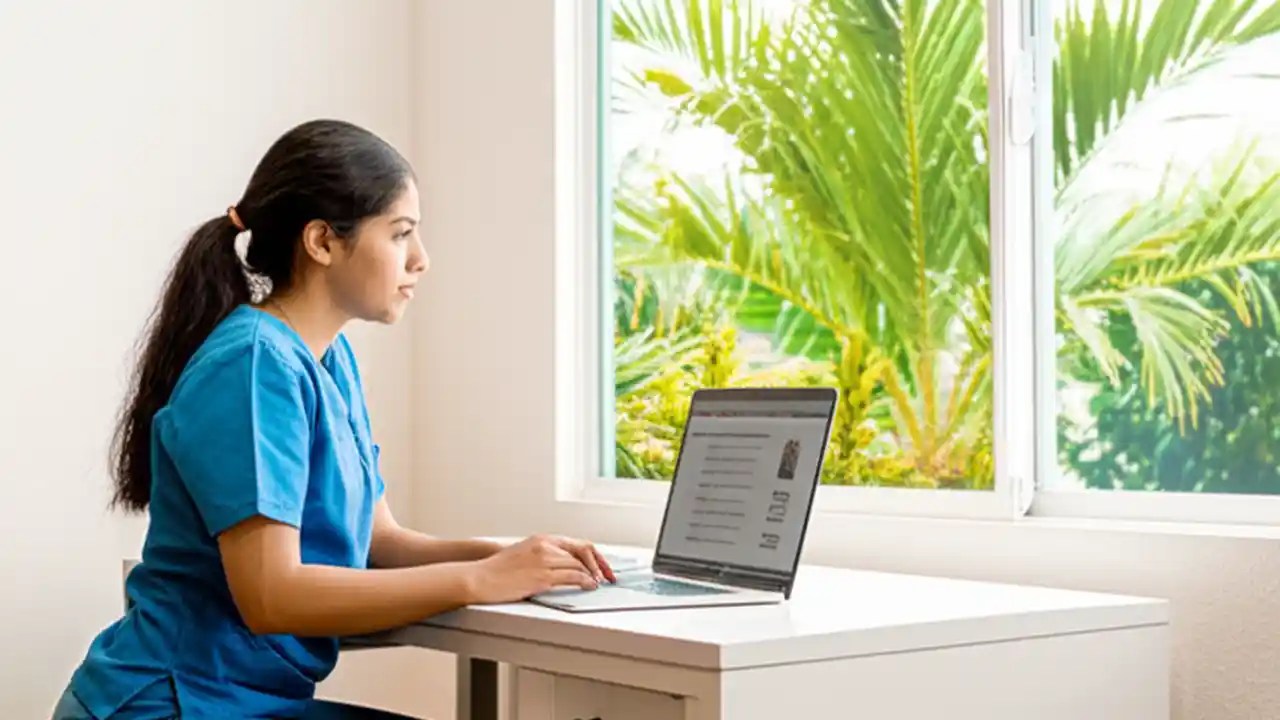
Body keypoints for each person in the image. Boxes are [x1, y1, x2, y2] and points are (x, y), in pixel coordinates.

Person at [53, 119, 615, 719]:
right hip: (173, 702)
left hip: (238, 701)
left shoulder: (328, 358)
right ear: (322, 242)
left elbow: (383, 544)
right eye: (401, 234)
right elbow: (272, 594)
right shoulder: (252, 364)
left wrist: (511, 558)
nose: (421, 260)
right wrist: (481, 580)